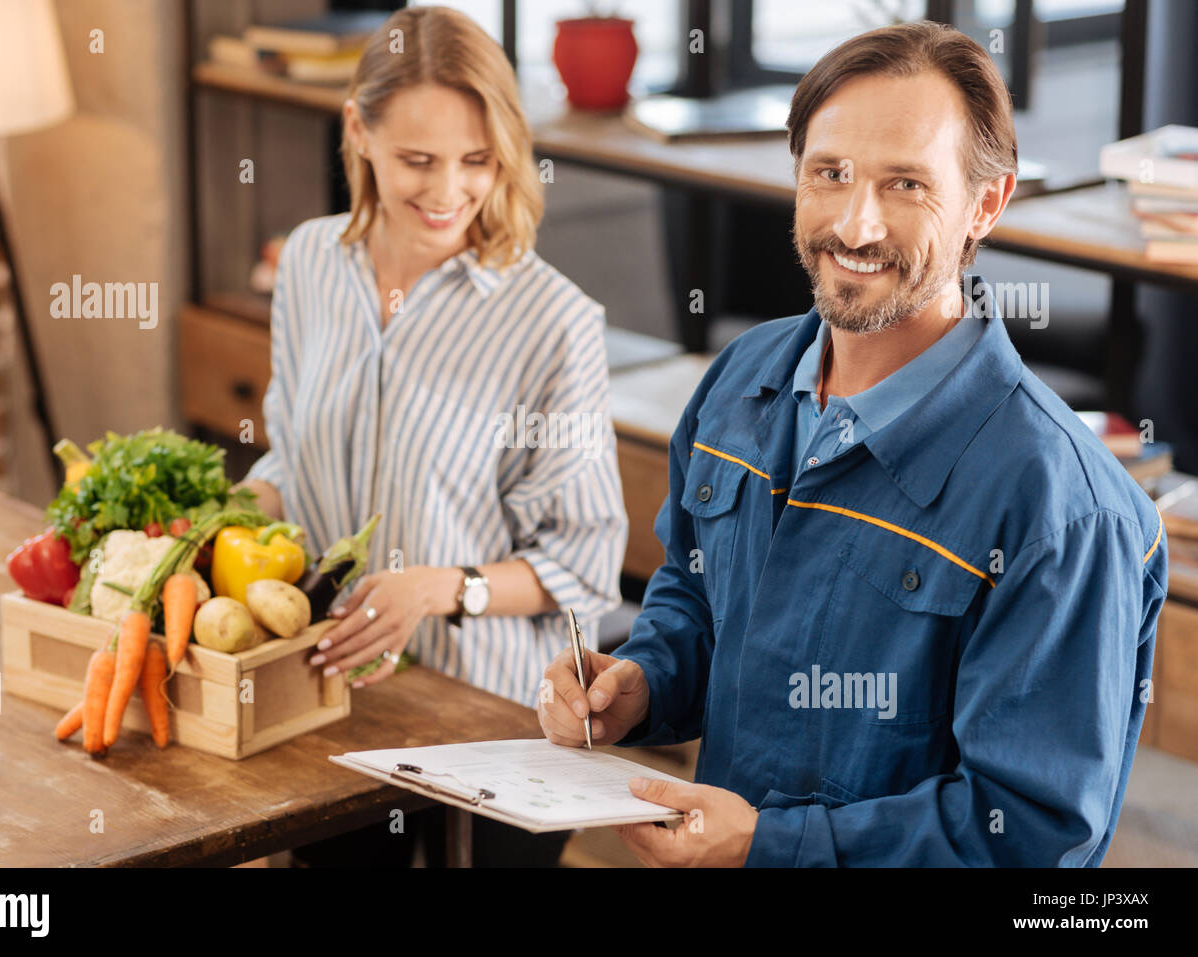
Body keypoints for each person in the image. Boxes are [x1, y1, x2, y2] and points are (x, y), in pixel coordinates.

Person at [537, 21, 1167, 867]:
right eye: (830, 174)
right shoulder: (743, 377)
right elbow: (692, 597)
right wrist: (640, 684)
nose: (856, 224)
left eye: (906, 183)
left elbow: (1027, 837)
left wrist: (770, 846)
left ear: (986, 203)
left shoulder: (1063, 509)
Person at [236, 5, 627, 865]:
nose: (449, 191)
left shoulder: (551, 321)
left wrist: (441, 587)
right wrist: (223, 514)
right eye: (418, 159)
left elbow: (582, 560)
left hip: (489, 732)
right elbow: (293, 456)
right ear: (359, 132)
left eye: (477, 161)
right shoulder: (308, 261)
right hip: (330, 699)